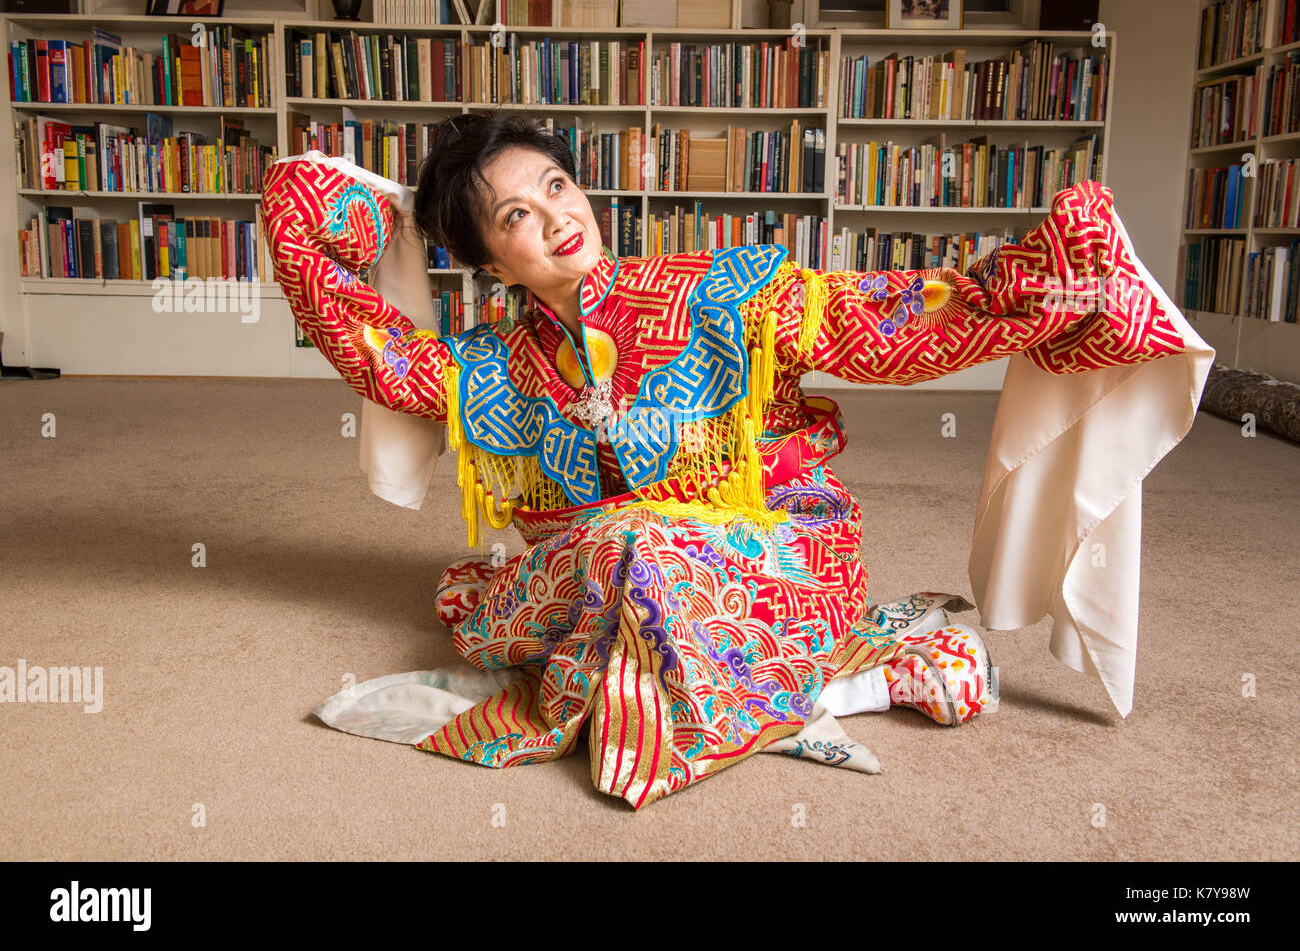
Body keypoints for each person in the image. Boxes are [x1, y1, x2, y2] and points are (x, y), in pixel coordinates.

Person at [259, 111, 1209, 809]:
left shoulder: (721, 288)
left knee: (627, 548)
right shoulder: (488, 368)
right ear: (491, 265)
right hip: (612, 569)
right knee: (593, 560)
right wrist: (329, 208)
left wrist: (1036, 283)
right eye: (514, 216)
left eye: (555, 186)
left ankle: (803, 676)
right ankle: (839, 684)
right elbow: (373, 353)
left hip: (782, 560)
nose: (554, 217)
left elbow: (882, 323)